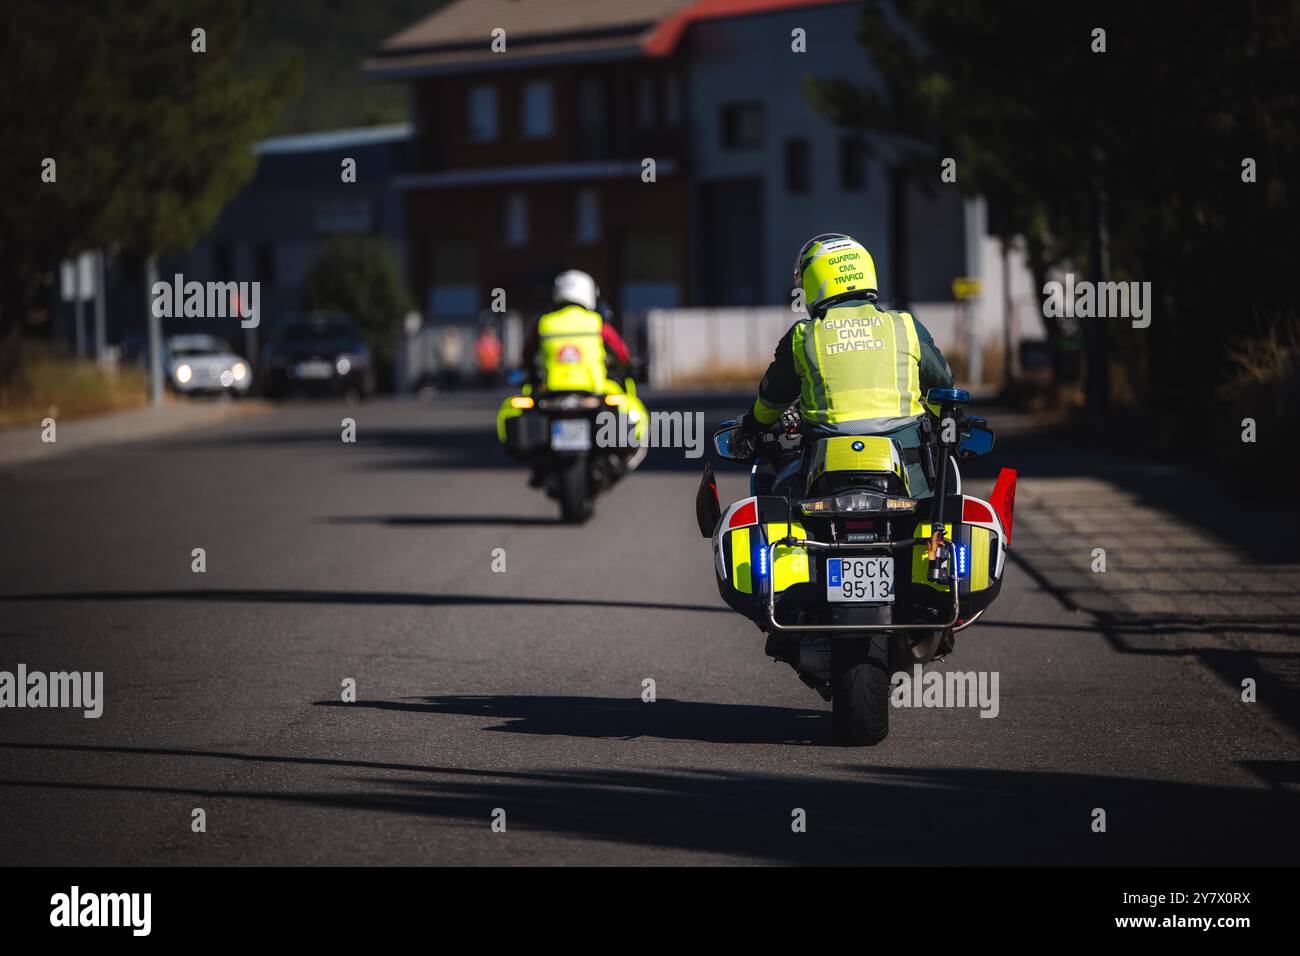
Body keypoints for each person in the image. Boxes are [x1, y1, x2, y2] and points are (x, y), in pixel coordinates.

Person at [742, 233, 955, 496]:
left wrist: (751, 426)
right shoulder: (905, 326)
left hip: (824, 473)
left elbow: (771, 401)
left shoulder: (802, 336)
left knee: (788, 500)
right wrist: (944, 420)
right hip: (906, 472)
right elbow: (944, 388)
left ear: (814, 279)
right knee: (930, 515)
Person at [523, 270, 630, 393]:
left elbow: (527, 355)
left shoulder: (544, 322)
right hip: (594, 391)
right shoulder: (597, 322)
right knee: (628, 404)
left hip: (550, 391)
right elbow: (622, 353)